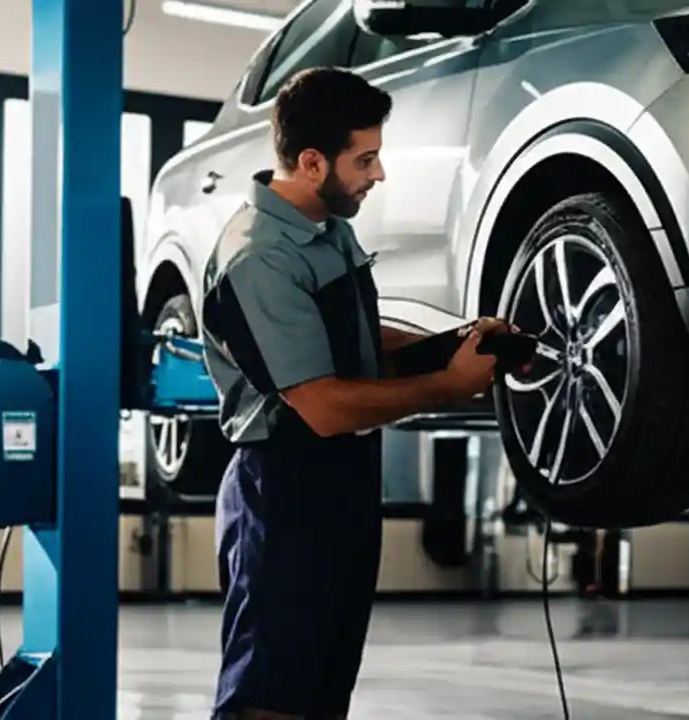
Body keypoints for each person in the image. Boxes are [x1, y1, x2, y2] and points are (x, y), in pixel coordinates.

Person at [200, 67, 513, 720]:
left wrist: (453, 341)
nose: (379, 174)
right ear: (313, 163)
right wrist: (448, 385)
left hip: (342, 484)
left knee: (323, 688)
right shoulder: (260, 257)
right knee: (273, 695)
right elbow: (323, 405)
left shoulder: (325, 226)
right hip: (283, 493)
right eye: (365, 158)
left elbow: (361, 336)